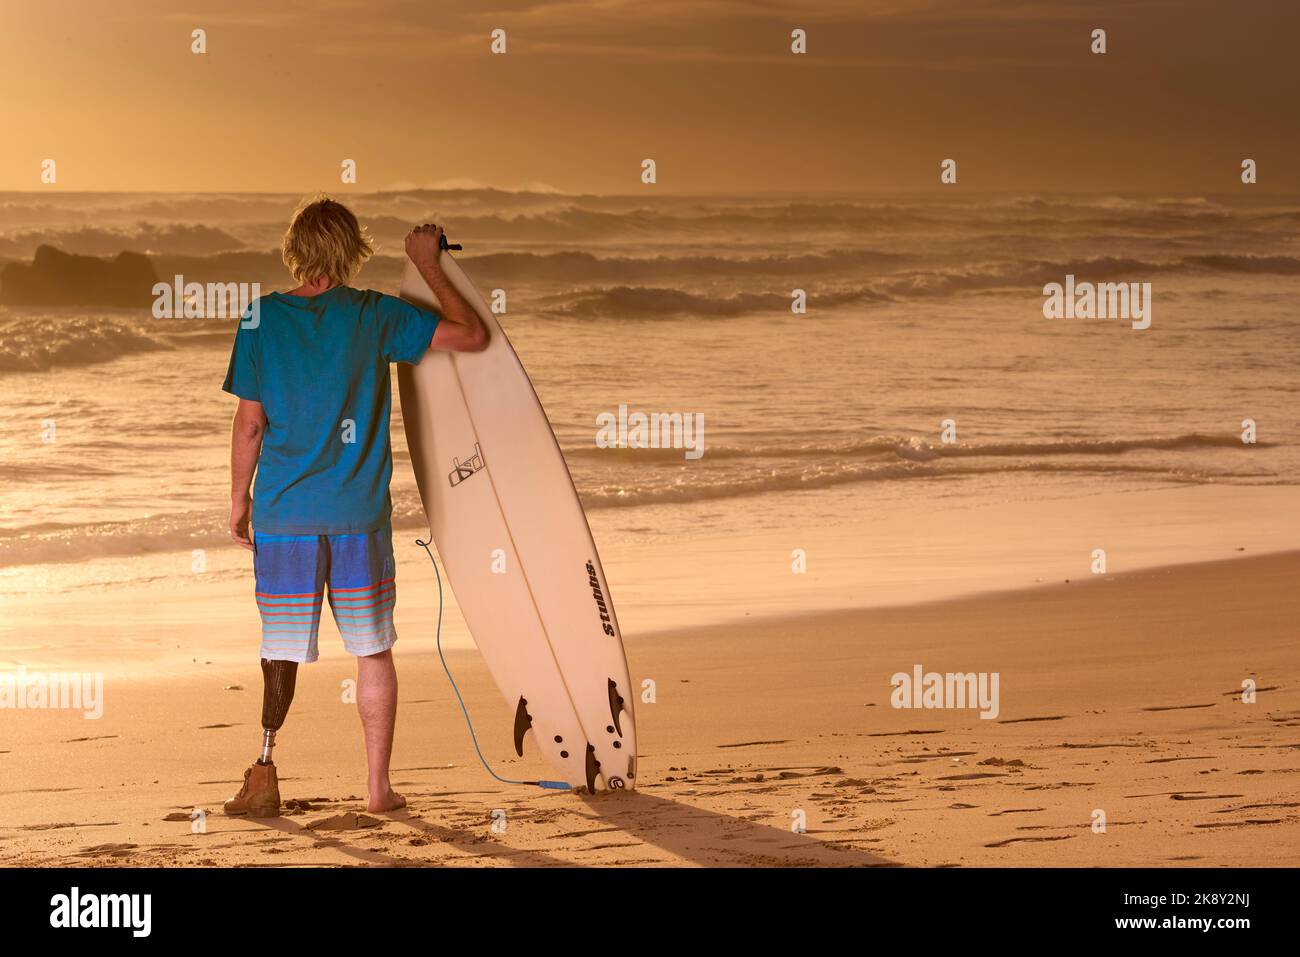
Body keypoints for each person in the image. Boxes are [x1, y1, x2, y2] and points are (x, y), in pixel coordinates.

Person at [219, 195, 486, 817]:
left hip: (284, 515)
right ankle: (377, 789)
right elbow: (471, 335)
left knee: (281, 645)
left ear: (295, 250)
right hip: (357, 515)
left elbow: (249, 424)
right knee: (372, 649)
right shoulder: (372, 315)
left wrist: (240, 499)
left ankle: (265, 765)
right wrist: (429, 264)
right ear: (351, 249)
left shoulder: (261, 319)